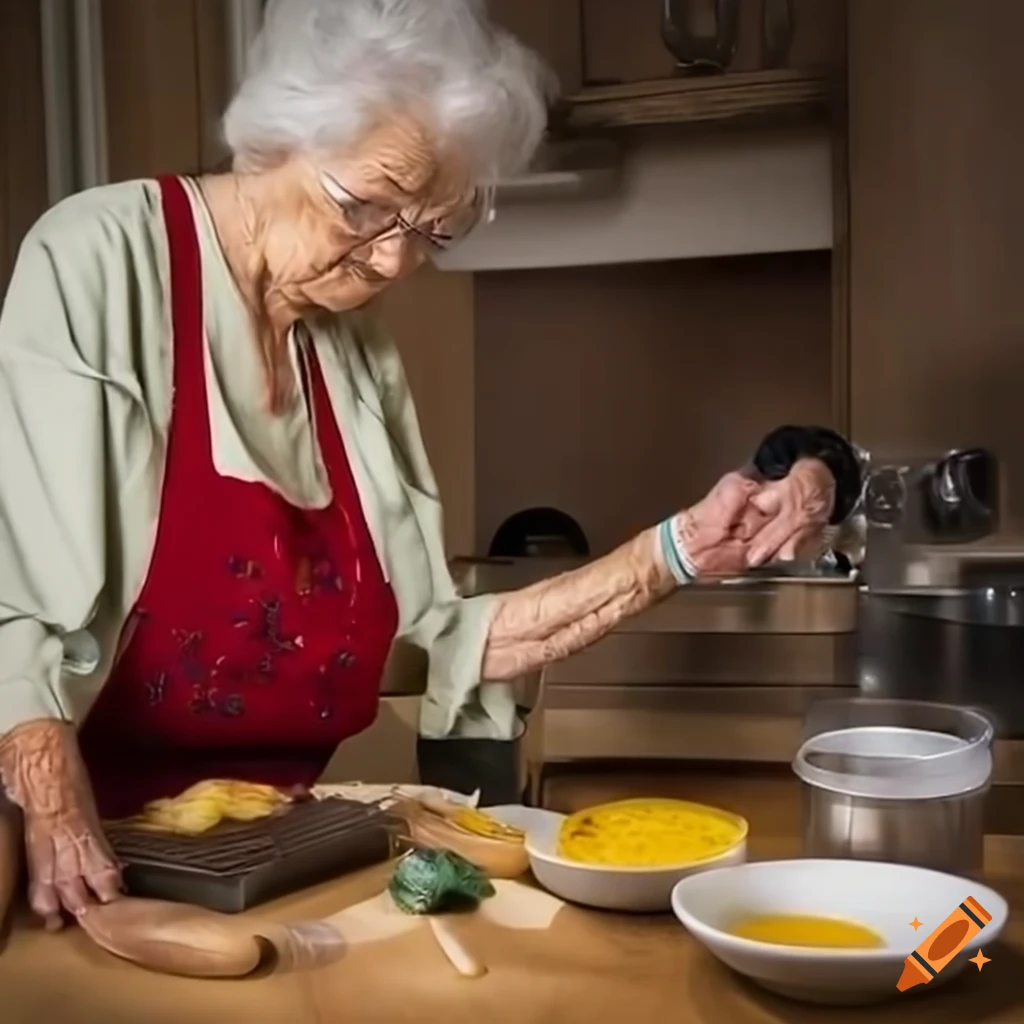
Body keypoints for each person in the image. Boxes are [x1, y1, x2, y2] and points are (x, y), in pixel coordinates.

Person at [0, 0, 862, 931]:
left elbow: (448, 642)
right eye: (368, 205)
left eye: (431, 231)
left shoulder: (356, 355)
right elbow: (16, 610)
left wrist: (679, 552)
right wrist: (54, 812)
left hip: (266, 864)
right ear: (276, 136)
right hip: (71, 868)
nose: (396, 261)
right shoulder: (102, 257)